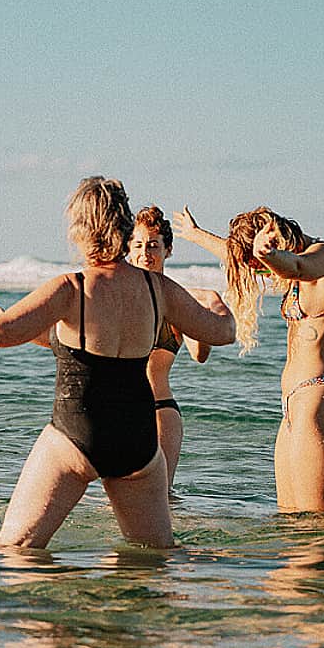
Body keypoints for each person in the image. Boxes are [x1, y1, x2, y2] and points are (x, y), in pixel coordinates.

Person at [0, 177, 234, 549]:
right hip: (138, 442)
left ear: (81, 229)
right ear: (123, 228)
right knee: (155, 559)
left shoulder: (71, 287)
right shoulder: (159, 289)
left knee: (14, 551)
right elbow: (223, 332)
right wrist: (220, 303)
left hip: (76, 435)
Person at [173, 205, 324, 513]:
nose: (258, 269)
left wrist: (268, 254)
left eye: (258, 260)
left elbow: (296, 266)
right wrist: (196, 235)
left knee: (321, 529)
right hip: (293, 407)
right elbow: (244, 259)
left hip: (320, 402)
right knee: (291, 524)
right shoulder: (284, 262)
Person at [128, 206, 222, 491]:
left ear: (168, 250)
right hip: (118, 411)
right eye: (139, 245)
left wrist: (203, 314)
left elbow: (200, 354)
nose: (146, 252)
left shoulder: (180, 301)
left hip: (159, 411)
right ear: (128, 250)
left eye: (154, 245)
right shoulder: (117, 299)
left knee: (159, 498)